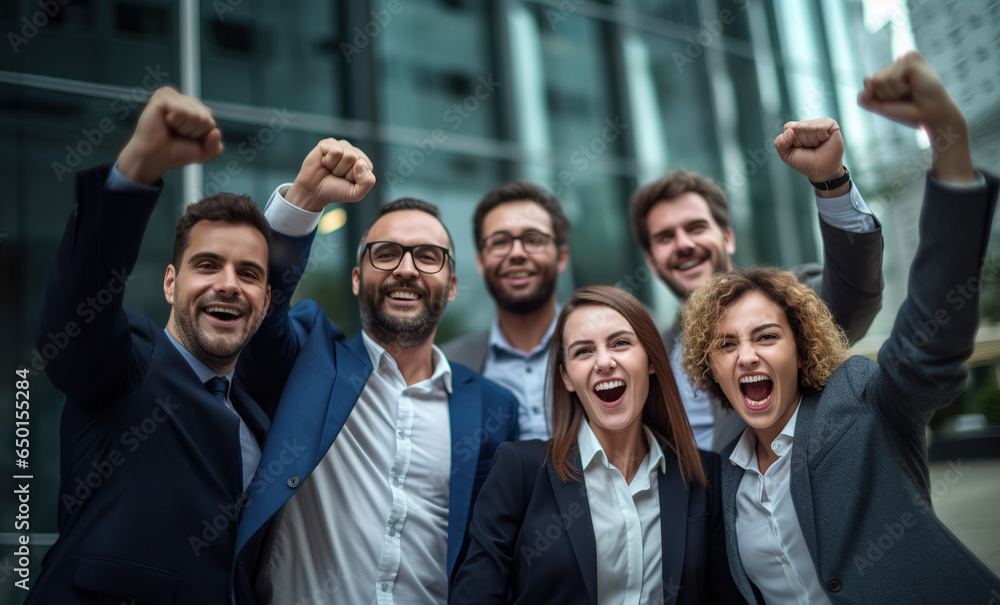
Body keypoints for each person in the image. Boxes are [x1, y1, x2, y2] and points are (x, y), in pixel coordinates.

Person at [681, 51, 1000, 603]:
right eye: (726, 345)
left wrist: (947, 135)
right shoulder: (725, 475)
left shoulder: (856, 402)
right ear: (710, 367)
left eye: (766, 336)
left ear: (801, 348)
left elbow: (930, 337)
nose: (747, 356)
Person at [229, 141, 520, 604]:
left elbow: (493, 552)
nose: (406, 269)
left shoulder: (494, 408)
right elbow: (265, 300)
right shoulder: (307, 357)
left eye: (428, 257)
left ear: (453, 286)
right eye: (385, 253)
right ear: (355, 278)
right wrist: (304, 199)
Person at [28, 87, 273, 603]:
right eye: (207, 265)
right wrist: (136, 171)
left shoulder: (260, 420)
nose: (229, 284)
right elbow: (75, 310)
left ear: (266, 300)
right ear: (169, 283)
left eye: (248, 273)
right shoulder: (125, 364)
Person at [451, 285, 741, 604]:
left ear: (651, 360)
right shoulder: (519, 470)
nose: (604, 362)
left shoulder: (705, 475)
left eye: (620, 343)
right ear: (566, 377)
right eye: (583, 351)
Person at [629, 119, 884, 452]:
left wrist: (830, 180)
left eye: (695, 227)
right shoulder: (651, 354)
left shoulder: (790, 302)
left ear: (728, 236)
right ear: (651, 260)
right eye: (665, 237)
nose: (683, 244)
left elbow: (854, 294)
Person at [441, 181, 571, 440]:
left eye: (533, 240)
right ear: (480, 261)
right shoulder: (447, 366)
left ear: (562, 257)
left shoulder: (610, 350)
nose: (517, 253)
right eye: (500, 242)